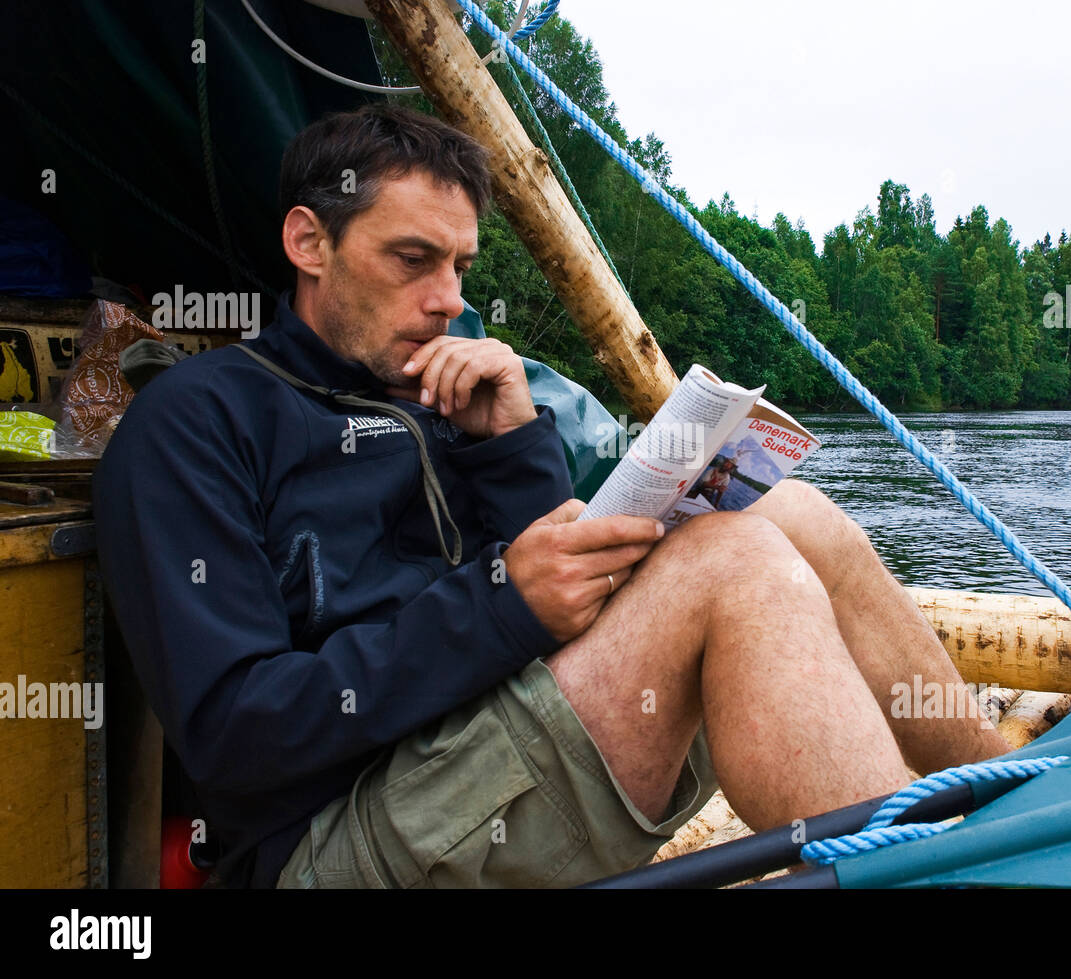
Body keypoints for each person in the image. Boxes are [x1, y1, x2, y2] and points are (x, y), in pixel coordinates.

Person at [93, 103, 1009, 889]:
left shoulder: (437, 391)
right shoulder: (194, 424)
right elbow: (235, 734)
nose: (448, 298)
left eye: (460, 266)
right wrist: (498, 602)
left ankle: (1005, 787)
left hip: (481, 760)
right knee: (735, 565)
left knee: (792, 516)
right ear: (309, 242)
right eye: (413, 259)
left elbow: (546, 596)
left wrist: (515, 439)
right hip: (339, 837)